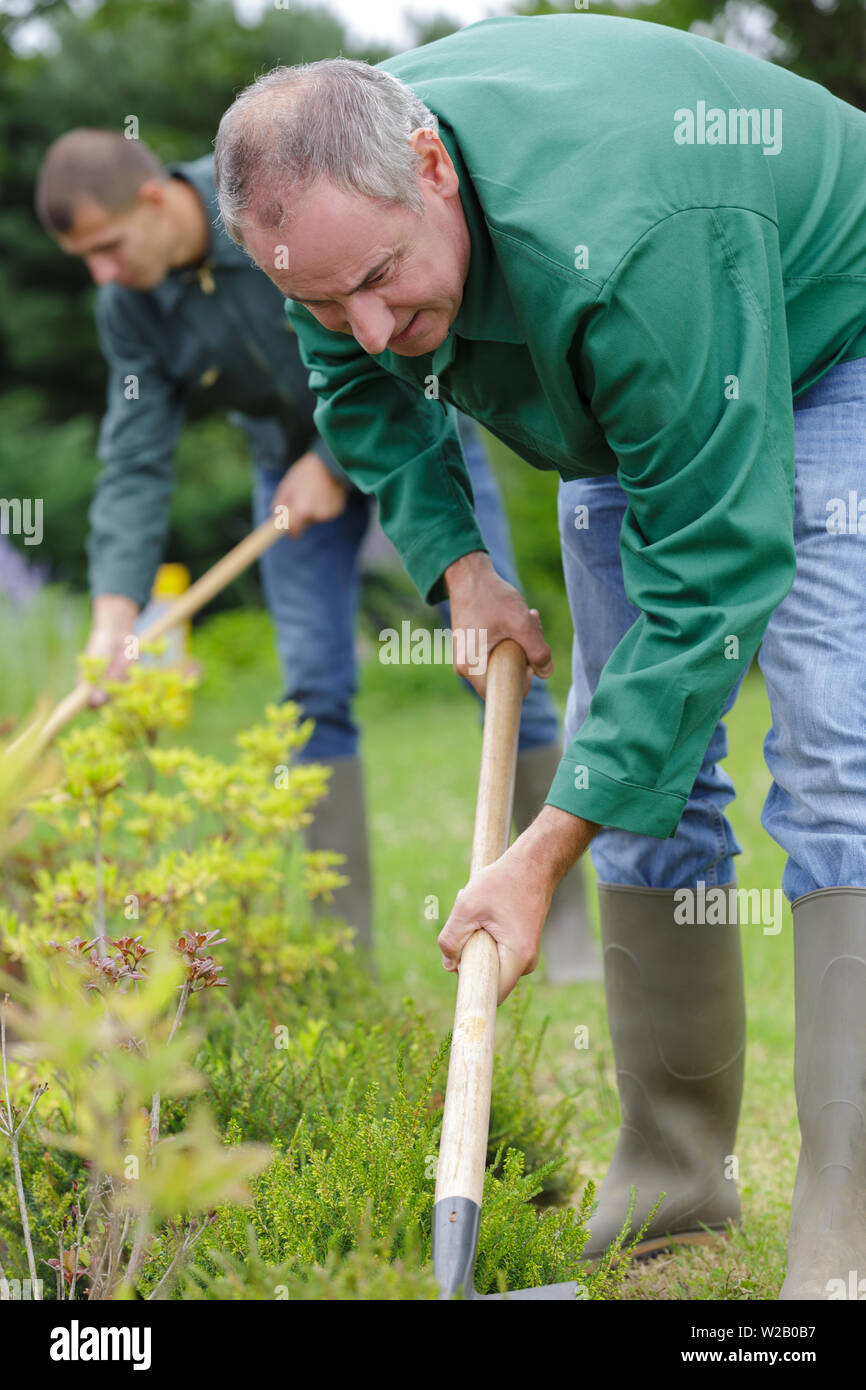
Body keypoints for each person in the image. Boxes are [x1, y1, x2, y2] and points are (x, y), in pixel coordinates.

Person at [212, 13, 866, 1299]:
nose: (368, 327)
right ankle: (671, 1182)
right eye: (317, 301)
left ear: (434, 171)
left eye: (386, 281)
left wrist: (535, 854)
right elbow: (354, 394)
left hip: (823, 334)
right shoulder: (326, 217)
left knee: (832, 751)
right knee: (653, 784)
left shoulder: (628, 238)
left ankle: (845, 1219)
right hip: (623, 395)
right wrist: (460, 566)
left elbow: (713, 589)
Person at [34, 128, 597, 979]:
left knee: (497, 655)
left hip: (414, 427)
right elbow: (136, 457)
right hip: (284, 484)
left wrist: (334, 458)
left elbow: (394, 323)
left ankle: (561, 934)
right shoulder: (133, 307)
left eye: (107, 246)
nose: (103, 275)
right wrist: (117, 616)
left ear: (153, 200)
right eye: (86, 259)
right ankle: (341, 956)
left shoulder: (260, 212)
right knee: (310, 695)